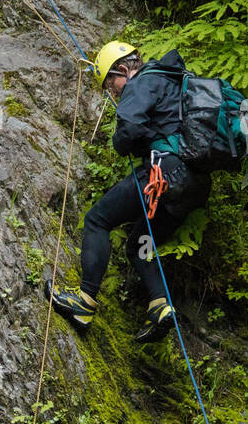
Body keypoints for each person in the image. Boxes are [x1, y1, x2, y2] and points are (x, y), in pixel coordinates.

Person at [47, 41, 212, 343]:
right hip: (194, 185)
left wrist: (121, 142)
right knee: (140, 243)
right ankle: (161, 306)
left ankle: (84, 302)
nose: (113, 93)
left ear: (123, 69)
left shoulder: (141, 83)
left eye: (111, 85)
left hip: (163, 174)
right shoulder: (172, 81)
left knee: (97, 220)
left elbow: (130, 130)